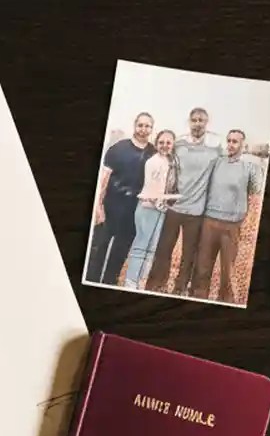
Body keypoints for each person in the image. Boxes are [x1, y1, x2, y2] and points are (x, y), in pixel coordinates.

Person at [144, 107, 223, 295]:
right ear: (189, 121)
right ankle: (155, 284)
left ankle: (179, 288)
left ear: (206, 123)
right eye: (194, 120)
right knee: (164, 249)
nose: (197, 123)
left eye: (201, 120)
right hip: (174, 207)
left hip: (195, 212)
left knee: (189, 254)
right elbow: (160, 158)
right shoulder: (178, 145)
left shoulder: (215, 151)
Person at [191, 129, 263, 303]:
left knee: (227, 271)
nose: (230, 145)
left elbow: (255, 189)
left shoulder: (249, 166)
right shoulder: (217, 162)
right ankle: (198, 299)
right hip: (210, 221)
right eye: (229, 141)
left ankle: (225, 302)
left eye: (235, 142)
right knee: (202, 268)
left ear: (242, 145)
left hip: (231, 225)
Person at [85, 113, 155, 285]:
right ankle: (91, 281)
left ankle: (109, 281)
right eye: (140, 125)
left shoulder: (153, 153)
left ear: (152, 129)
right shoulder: (118, 148)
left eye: (147, 126)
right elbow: (104, 179)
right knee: (98, 247)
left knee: (120, 251)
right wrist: (99, 207)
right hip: (111, 206)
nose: (143, 129)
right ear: (134, 125)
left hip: (134, 210)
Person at [123, 129, 179, 290]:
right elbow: (151, 187)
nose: (165, 145)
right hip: (147, 207)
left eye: (168, 143)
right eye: (161, 142)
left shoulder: (170, 162)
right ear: (156, 143)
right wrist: (159, 202)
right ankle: (131, 281)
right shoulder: (153, 162)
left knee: (151, 247)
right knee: (141, 245)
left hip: (159, 208)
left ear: (173, 145)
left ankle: (141, 280)